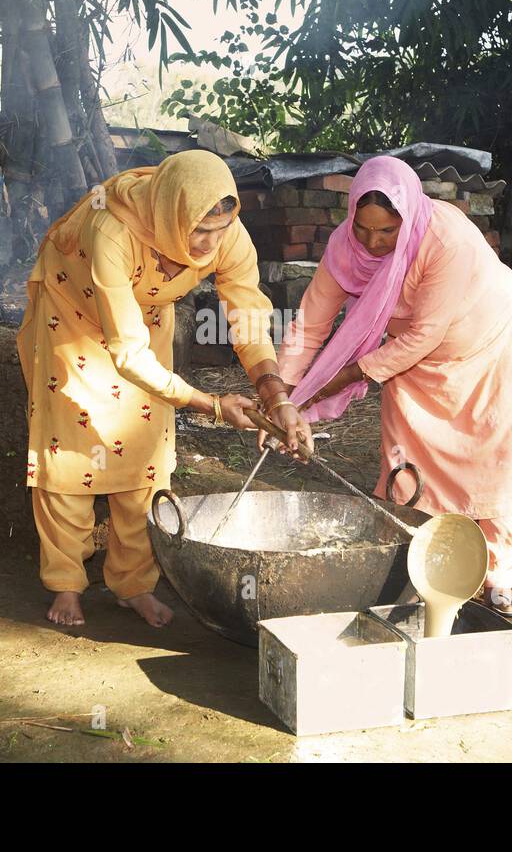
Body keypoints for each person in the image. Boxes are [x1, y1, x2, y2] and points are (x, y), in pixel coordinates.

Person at [17, 150, 312, 628]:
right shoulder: (111, 228)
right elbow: (128, 355)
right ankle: (67, 583)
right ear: (170, 212)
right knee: (72, 445)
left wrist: (276, 398)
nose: (208, 244)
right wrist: (211, 406)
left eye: (219, 232)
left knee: (143, 448)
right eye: (199, 230)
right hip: (71, 313)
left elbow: (249, 316)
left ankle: (132, 586)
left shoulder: (226, 232)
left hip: (145, 316)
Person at [275, 156, 512, 615]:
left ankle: (498, 575)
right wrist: (283, 397)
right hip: (414, 366)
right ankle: (423, 564)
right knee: (408, 462)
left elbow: (427, 332)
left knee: (500, 462)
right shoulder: (346, 249)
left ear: (407, 216)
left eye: (387, 231)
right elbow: (309, 325)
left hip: (494, 352)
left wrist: (341, 377)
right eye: (363, 229)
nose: (374, 242)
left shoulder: (446, 238)